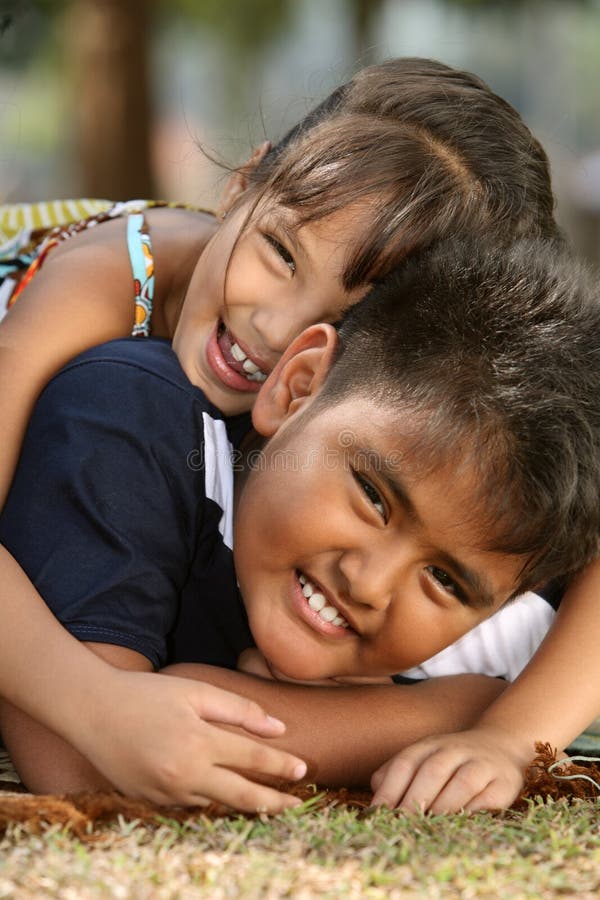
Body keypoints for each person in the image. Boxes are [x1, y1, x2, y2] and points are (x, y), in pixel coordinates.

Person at [0, 56, 559, 807]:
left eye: (342, 319)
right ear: (242, 185)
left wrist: (512, 733)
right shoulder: (107, 282)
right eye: (280, 253)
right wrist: (92, 702)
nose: (274, 328)